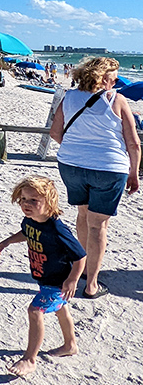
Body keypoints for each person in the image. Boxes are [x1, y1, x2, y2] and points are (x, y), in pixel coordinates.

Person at [49, 56, 140, 299]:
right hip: (109, 168)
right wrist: (134, 173)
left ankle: (85, 270)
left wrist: (78, 150)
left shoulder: (68, 97)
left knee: (83, 214)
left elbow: (56, 133)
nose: (116, 81)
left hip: (72, 164)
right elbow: (133, 143)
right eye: (113, 77)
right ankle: (91, 285)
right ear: (103, 77)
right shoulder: (116, 99)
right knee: (98, 224)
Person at [0, 176, 86, 378]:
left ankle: (29, 359)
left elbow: (80, 256)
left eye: (33, 200)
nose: (26, 205)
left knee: (35, 310)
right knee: (61, 310)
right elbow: (27, 232)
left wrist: (72, 280)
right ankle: (70, 345)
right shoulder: (29, 220)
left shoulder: (57, 229)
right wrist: (8, 241)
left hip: (58, 282)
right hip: (44, 278)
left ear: (49, 202)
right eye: (23, 199)